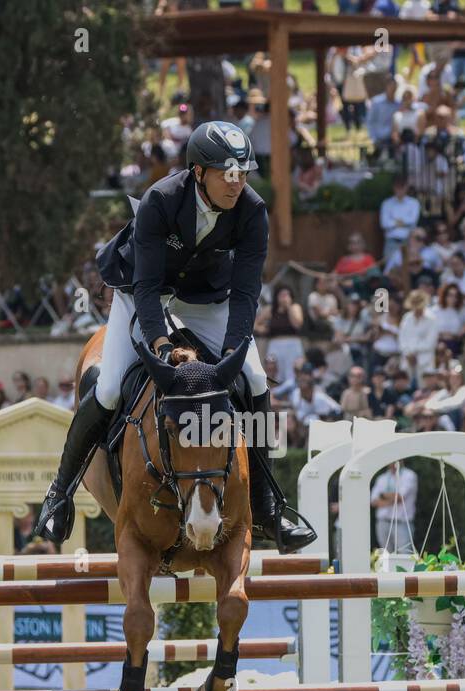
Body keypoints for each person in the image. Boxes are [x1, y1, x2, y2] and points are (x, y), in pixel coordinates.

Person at [36, 121, 313, 553]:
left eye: (242, 174)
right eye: (228, 174)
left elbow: (245, 292)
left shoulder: (253, 210)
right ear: (199, 172)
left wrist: (234, 349)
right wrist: (159, 344)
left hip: (208, 302)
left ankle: (268, 506)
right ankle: (59, 495)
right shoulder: (160, 200)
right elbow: (146, 287)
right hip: (144, 294)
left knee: (256, 381)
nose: (237, 184)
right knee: (108, 387)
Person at [370, 460, 417, 556]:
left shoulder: (409, 475)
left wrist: (382, 496)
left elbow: (399, 497)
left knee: (405, 555)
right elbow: (373, 501)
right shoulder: (382, 478)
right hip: (383, 523)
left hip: (402, 523)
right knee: (386, 557)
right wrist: (392, 498)